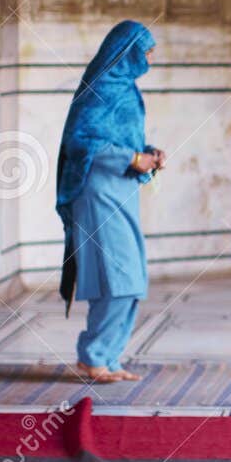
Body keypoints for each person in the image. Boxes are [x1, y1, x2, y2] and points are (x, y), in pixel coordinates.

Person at [56, 20, 165, 384]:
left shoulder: (127, 89)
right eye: (146, 49)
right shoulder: (100, 88)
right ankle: (93, 357)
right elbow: (81, 144)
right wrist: (132, 160)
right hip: (98, 194)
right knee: (116, 278)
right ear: (127, 51)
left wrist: (147, 154)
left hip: (121, 192)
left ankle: (107, 357)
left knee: (131, 280)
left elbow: (123, 139)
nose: (151, 57)